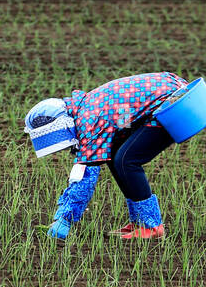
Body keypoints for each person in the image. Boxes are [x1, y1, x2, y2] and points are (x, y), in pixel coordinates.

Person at [24, 72, 189, 241]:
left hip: (173, 103)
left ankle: (152, 227)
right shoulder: (86, 107)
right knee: (116, 155)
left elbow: (84, 177)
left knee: (126, 161)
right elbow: (125, 115)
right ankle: (141, 221)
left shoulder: (88, 122)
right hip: (170, 94)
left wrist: (64, 220)